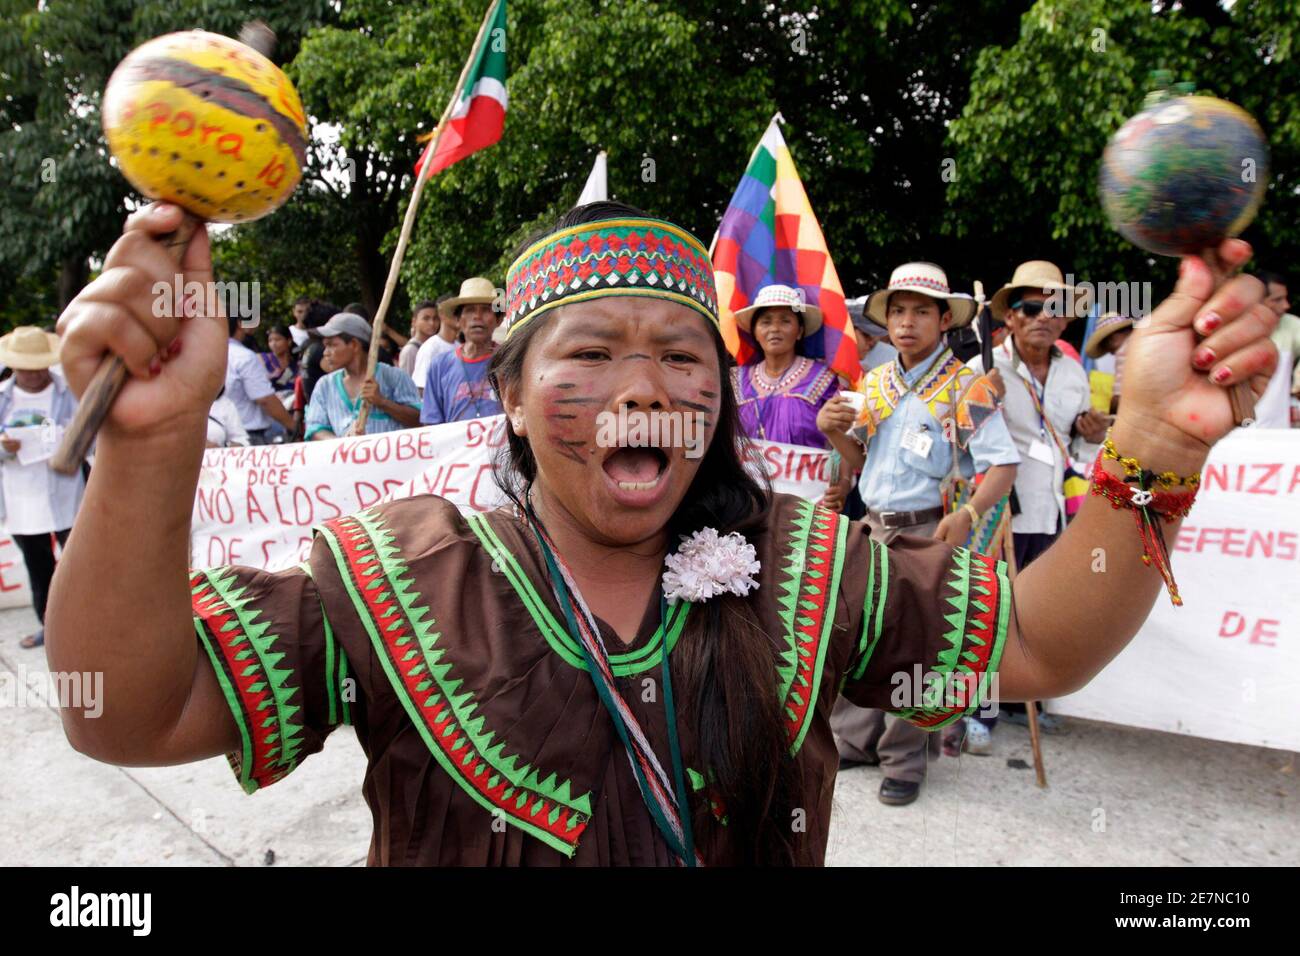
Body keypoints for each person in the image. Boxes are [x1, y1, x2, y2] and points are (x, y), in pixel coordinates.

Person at [47, 200, 1277, 866]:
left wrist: (1158, 450)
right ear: (512, 400)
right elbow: (122, 712)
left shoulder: (814, 568)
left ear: (724, 397)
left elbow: (1040, 652)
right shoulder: (391, 574)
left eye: (682, 357)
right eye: (587, 356)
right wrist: (153, 443)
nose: (642, 390)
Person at [817, 262, 1020, 794]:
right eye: (898, 311)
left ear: (944, 318)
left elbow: (1002, 465)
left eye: (921, 311)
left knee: (917, 649)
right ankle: (854, 741)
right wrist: (830, 431)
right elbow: (858, 459)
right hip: (870, 526)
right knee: (856, 634)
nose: (907, 322)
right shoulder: (876, 381)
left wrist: (968, 515)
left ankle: (904, 763)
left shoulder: (966, 387)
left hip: (930, 530)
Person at [972, 260, 1109, 741]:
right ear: (1009, 317)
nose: (1042, 317)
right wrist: (978, 401)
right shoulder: (984, 367)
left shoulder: (1074, 373)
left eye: (1054, 308)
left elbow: (1073, 449)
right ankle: (978, 712)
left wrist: (1091, 438)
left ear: (1067, 320)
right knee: (989, 611)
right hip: (1000, 511)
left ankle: (1022, 703)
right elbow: (959, 439)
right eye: (1030, 308)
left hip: (1050, 507)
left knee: (1039, 612)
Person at [0, 327, 85, 649]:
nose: (32, 375)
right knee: (39, 568)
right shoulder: (3, 397)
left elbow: (90, 435)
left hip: (66, 492)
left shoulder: (69, 392)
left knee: (80, 565)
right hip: (20, 497)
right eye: (25, 367)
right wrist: (4, 446)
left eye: (38, 367)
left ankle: (85, 625)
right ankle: (49, 628)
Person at [731, 284, 841, 448]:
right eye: (766, 322)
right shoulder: (735, 381)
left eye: (785, 321)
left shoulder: (824, 379)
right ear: (755, 332)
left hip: (807, 473)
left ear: (799, 331)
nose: (775, 329)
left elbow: (842, 438)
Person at [303, 313, 421, 440]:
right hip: (345, 459)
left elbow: (420, 421)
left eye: (331, 345)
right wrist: (343, 444)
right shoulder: (324, 386)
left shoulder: (395, 377)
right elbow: (315, 429)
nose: (325, 353)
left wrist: (382, 402)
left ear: (354, 345)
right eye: (325, 346)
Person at [420, 278, 505, 425]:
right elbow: (431, 423)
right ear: (458, 320)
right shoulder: (440, 366)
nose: (477, 317)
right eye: (470, 310)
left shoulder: (508, 360)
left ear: (497, 320)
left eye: (485, 310)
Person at [226, 315, 295, 444]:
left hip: (217, 434)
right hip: (249, 435)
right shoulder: (244, 357)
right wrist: (294, 427)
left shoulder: (208, 356)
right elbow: (265, 399)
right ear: (240, 324)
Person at [1256, 270, 1300, 428]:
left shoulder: (1291, 325)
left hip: (1278, 431)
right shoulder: (1231, 328)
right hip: (1235, 434)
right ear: (1257, 301)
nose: (1286, 305)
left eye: (1285, 298)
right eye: (1277, 299)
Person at [412, 292, 462, 399]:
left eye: (461, 311)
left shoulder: (460, 346)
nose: (459, 316)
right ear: (442, 315)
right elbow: (421, 389)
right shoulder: (430, 348)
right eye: (454, 312)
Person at [1084, 312, 1135, 415]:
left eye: (1106, 343)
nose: (1109, 351)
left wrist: (1111, 414)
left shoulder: (1123, 351)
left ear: (1112, 337)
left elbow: (1119, 393)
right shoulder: (1143, 343)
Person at [399, 300, 441, 378]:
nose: (432, 323)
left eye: (435, 318)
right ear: (414, 322)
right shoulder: (410, 351)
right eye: (426, 318)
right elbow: (407, 385)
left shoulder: (437, 345)